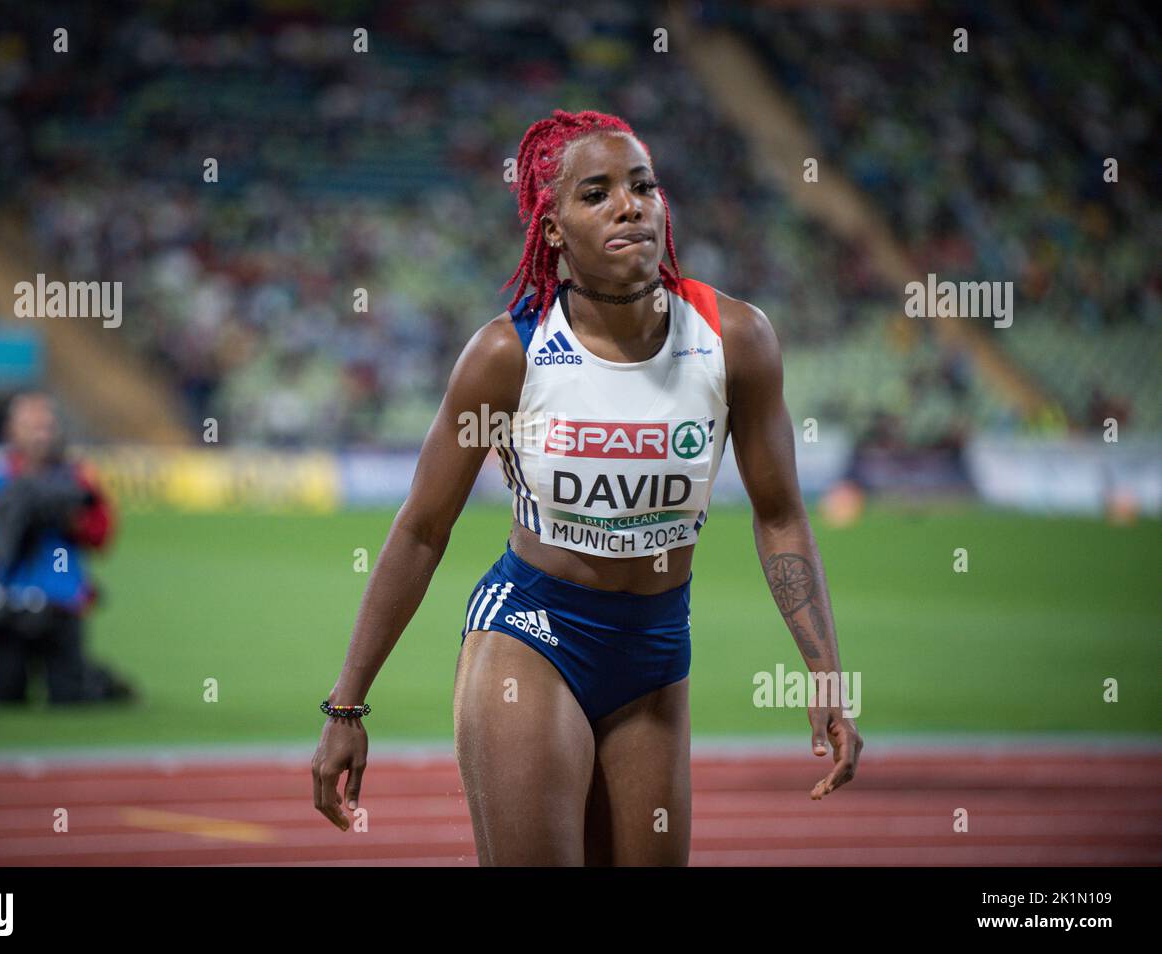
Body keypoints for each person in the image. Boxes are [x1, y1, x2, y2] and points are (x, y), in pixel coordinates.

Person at [312, 109, 860, 865]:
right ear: (554, 228)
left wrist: (827, 672)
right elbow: (421, 530)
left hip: (659, 649)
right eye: (595, 193)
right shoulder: (510, 354)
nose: (629, 205)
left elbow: (781, 515)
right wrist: (346, 705)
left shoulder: (735, 342)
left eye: (642, 186)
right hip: (533, 636)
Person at [0, 392, 135, 705]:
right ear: (11, 431)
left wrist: (69, 520)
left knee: (69, 697)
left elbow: (102, 534)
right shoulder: (0, 478)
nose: (41, 436)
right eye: (31, 427)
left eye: (46, 427)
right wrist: (14, 530)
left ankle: (98, 681)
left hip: (61, 600)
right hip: (9, 601)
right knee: (6, 697)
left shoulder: (76, 477)